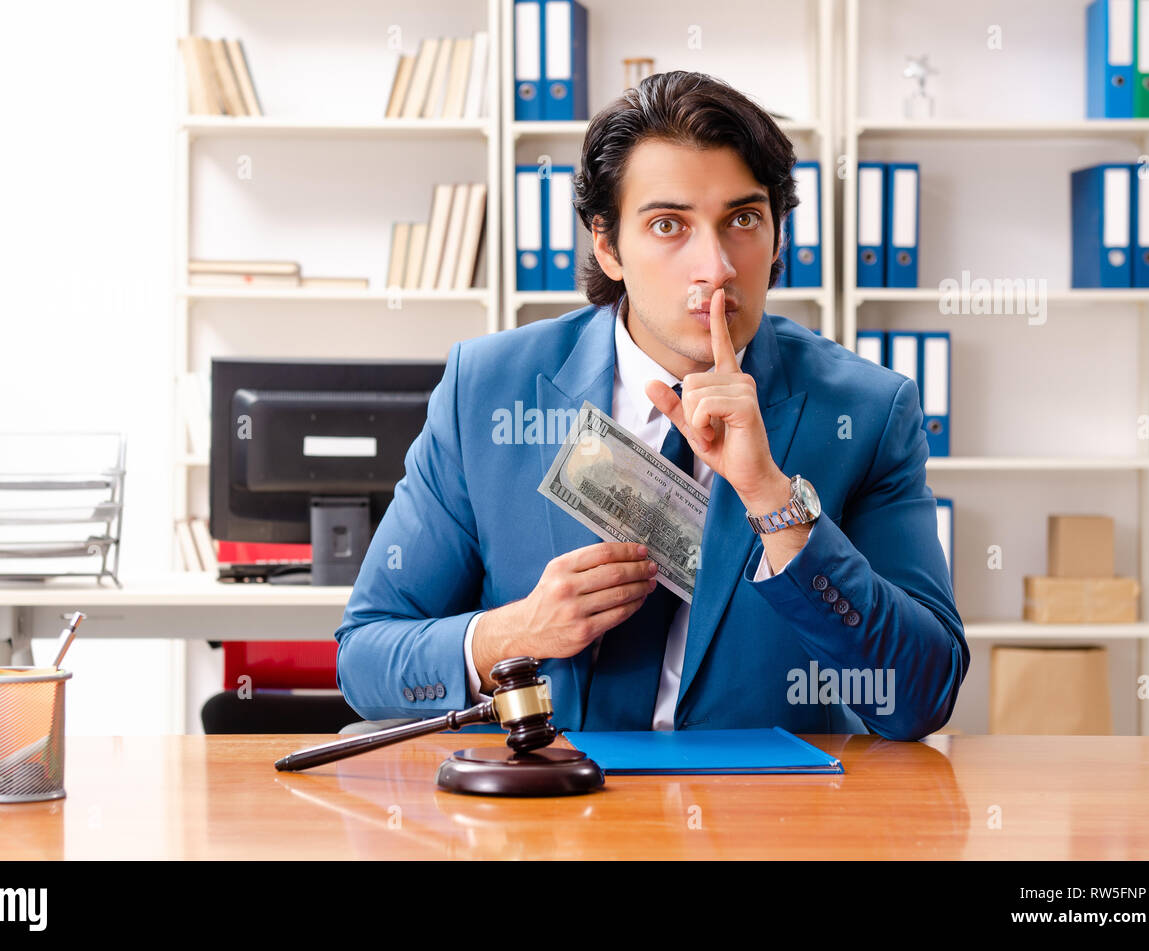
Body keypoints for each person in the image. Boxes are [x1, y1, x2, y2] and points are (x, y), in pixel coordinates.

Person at [334, 70, 968, 740]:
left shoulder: (868, 413)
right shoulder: (488, 389)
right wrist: (512, 633)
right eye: (669, 224)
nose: (716, 266)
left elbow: (920, 694)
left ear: (779, 237)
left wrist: (772, 499)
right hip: (545, 824)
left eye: (743, 219)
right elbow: (365, 658)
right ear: (607, 245)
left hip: (762, 823)